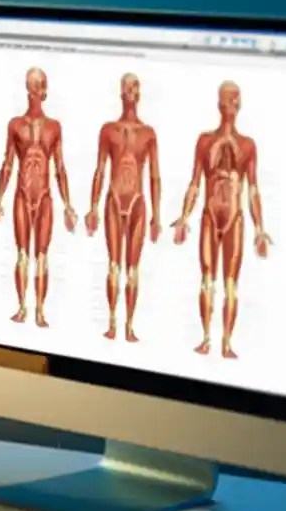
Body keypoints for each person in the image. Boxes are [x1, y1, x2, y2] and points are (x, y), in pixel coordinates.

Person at [171, 81, 272, 359]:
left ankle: (226, 343)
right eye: (228, 99)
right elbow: (195, 182)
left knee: (230, 284)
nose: (232, 104)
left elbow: (253, 188)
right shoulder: (205, 141)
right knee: (207, 280)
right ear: (219, 103)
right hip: (209, 215)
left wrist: (260, 230)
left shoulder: (248, 145)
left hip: (234, 219)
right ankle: (206, 338)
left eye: (236, 99)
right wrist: (184, 216)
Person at [0, 67, 78, 328]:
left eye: (42, 84)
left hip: (45, 196)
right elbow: (8, 163)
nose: (39, 89)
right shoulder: (15, 125)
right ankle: (22, 308)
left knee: (41, 255)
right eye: (37, 84)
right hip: (22, 195)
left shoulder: (54, 127)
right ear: (30, 89)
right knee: (23, 254)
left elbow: (60, 167)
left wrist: (68, 204)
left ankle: (39, 310)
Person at [84, 73, 162, 342]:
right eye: (126, 86)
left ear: (139, 93)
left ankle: (129, 326)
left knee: (132, 267)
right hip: (114, 198)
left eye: (135, 86)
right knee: (114, 264)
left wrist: (156, 217)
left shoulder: (148, 134)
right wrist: (92, 207)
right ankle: (112, 322)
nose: (130, 90)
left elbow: (154, 176)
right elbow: (100, 169)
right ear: (120, 92)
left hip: (138, 201)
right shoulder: (108, 130)